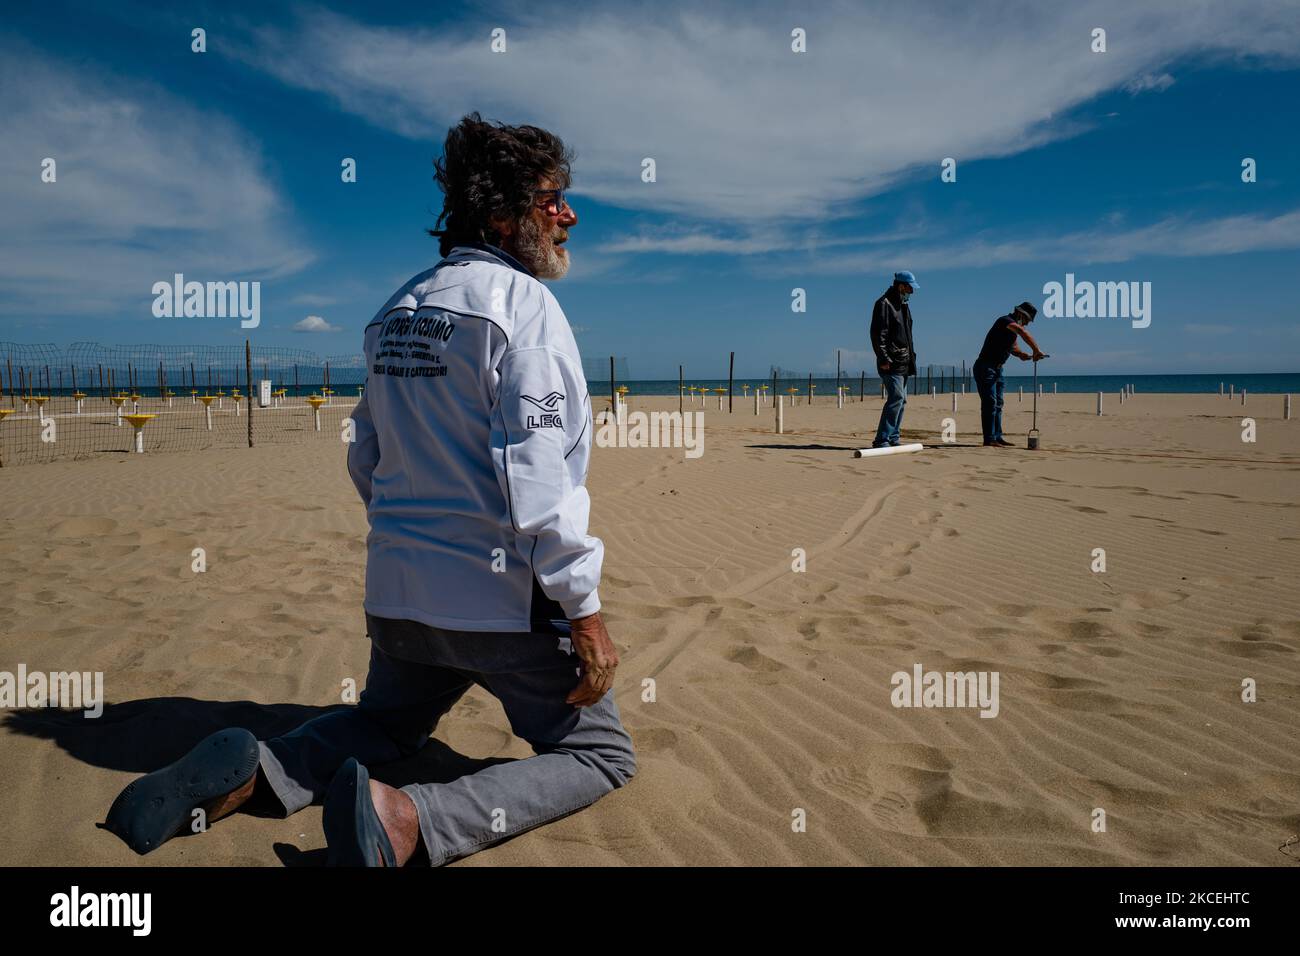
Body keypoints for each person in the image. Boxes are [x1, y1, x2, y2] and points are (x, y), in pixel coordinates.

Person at [105, 113, 636, 866]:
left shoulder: (396, 311)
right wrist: (583, 612)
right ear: (499, 212)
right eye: (552, 199)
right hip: (501, 603)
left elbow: (366, 453)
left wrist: (413, 537)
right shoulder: (524, 309)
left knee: (388, 724)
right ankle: (413, 820)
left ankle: (259, 772)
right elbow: (539, 476)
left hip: (399, 596)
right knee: (601, 754)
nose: (569, 215)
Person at [972, 301, 1046, 447]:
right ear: (1020, 314)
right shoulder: (1005, 321)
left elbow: (1013, 347)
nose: (1027, 324)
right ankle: (989, 439)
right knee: (990, 403)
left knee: (998, 404)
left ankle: (997, 436)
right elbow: (1023, 333)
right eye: (1027, 320)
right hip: (986, 367)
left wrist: (1021, 355)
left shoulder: (1011, 330)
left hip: (998, 369)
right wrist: (1036, 350)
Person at [869, 271, 918, 448]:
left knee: (902, 400)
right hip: (891, 361)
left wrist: (911, 359)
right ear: (901, 286)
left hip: (904, 361)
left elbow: (907, 336)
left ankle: (893, 437)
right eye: (910, 288)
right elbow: (878, 334)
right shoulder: (884, 303)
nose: (912, 292)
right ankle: (881, 439)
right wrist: (884, 358)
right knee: (896, 398)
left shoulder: (903, 305)